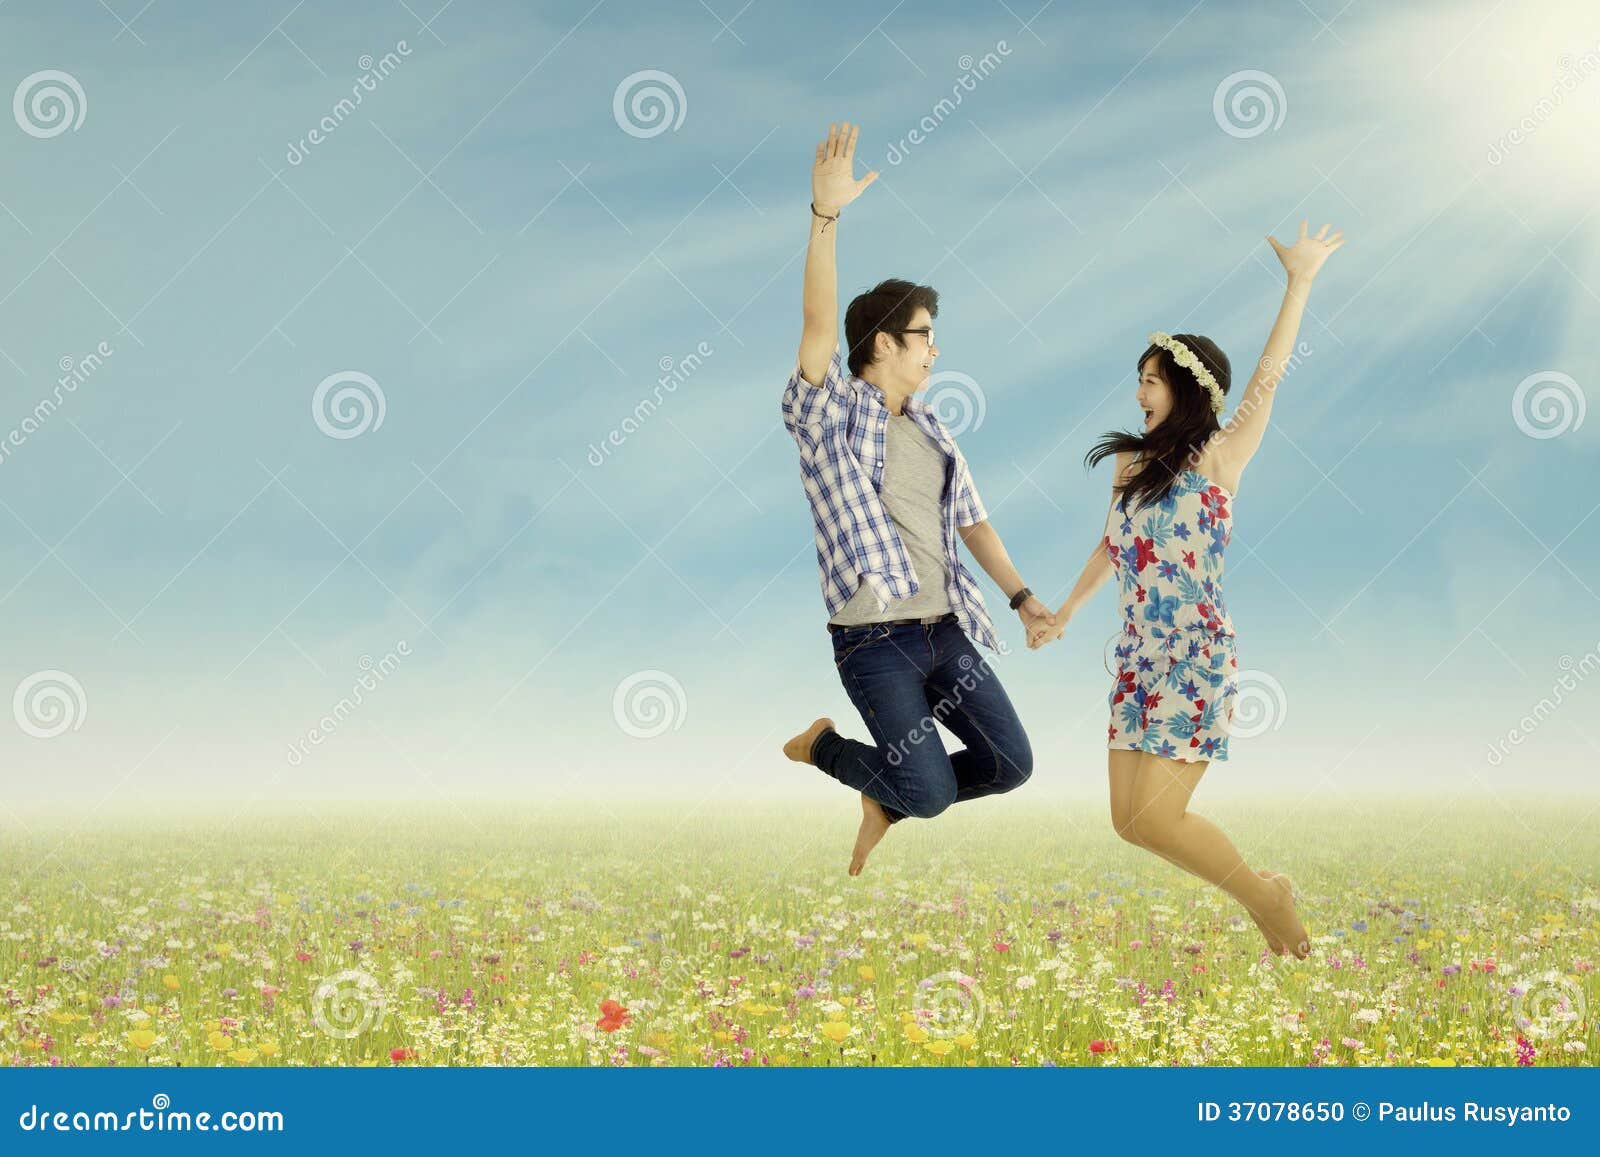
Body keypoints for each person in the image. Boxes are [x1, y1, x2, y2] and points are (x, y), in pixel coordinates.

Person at [1032, 220, 1346, 958]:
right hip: (1137, 657)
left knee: (1161, 818)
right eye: (1139, 379)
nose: (1138, 392)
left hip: (1195, 655)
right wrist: (1066, 610)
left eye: (1150, 379)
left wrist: (1300, 280)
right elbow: (1113, 544)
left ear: (1186, 387)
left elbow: (1270, 373)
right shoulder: (1130, 465)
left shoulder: (1222, 456)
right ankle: (1262, 891)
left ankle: (1266, 898)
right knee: (1129, 822)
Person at [779, 122, 1054, 876]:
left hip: (945, 631)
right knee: (932, 794)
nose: (935, 348)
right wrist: (826, 216)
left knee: (1011, 764)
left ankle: (887, 797)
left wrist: (1023, 598)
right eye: (924, 334)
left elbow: (973, 522)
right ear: (881, 343)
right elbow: (816, 324)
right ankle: (825, 747)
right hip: (874, 642)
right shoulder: (830, 414)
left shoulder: (935, 430)